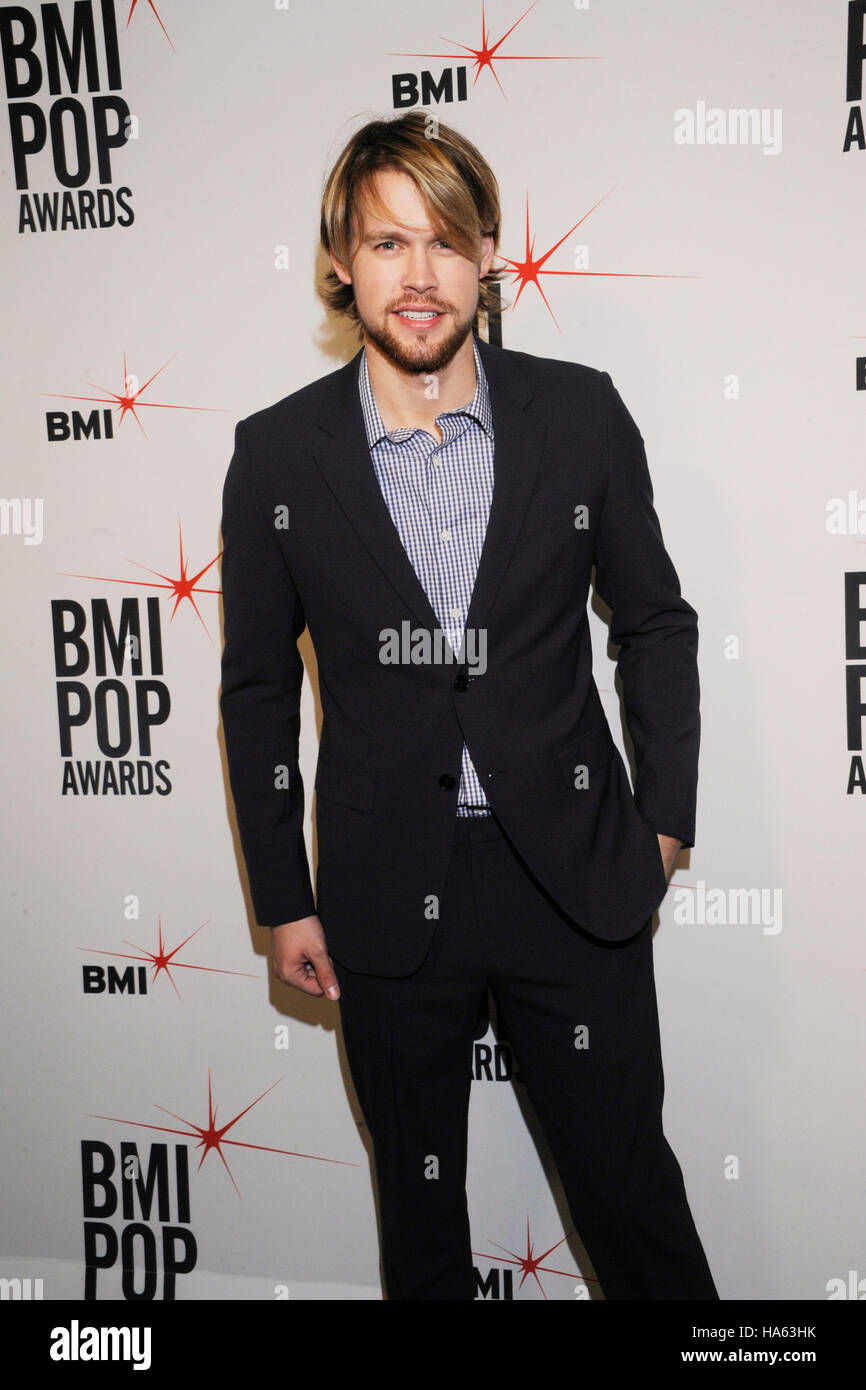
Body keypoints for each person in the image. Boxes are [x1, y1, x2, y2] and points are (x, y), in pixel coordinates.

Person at [219, 111, 718, 1301]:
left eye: (445, 241)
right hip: (386, 893)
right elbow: (253, 688)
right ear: (341, 262)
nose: (419, 273)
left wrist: (663, 822)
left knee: (629, 1198)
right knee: (422, 1224)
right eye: (388, 244)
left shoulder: (580, 415)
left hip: (572, 876)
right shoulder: (278, 457)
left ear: (488, 254)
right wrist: (282, 897)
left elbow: (654, 622)